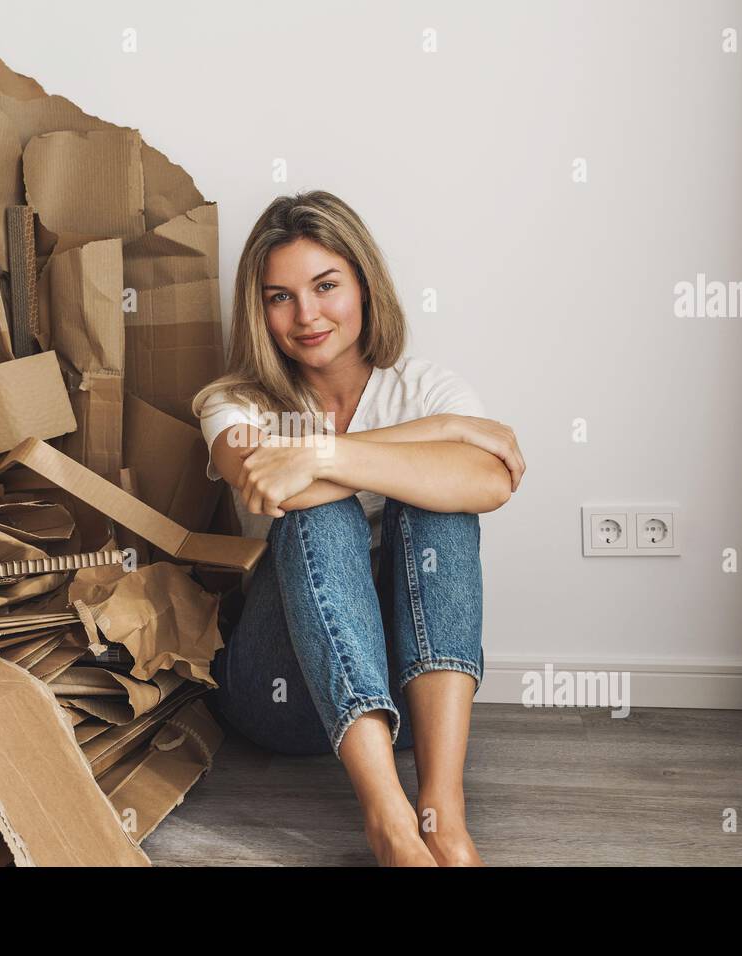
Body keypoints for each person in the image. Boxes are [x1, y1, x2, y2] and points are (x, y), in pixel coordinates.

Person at [191, 190, 525, 867]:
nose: (306, 315)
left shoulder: (425, 388)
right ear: (258, 311)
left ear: (365, 284)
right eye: (280, 296)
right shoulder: (234, 402)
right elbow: (262, 476)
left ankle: (442, 813)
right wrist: (440, 440)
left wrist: (323, 452)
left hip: (406, 701)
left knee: (444, 509)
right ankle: (390, 823)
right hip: (279, 697)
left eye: (325, 286)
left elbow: (490, 484)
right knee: (321, 513)